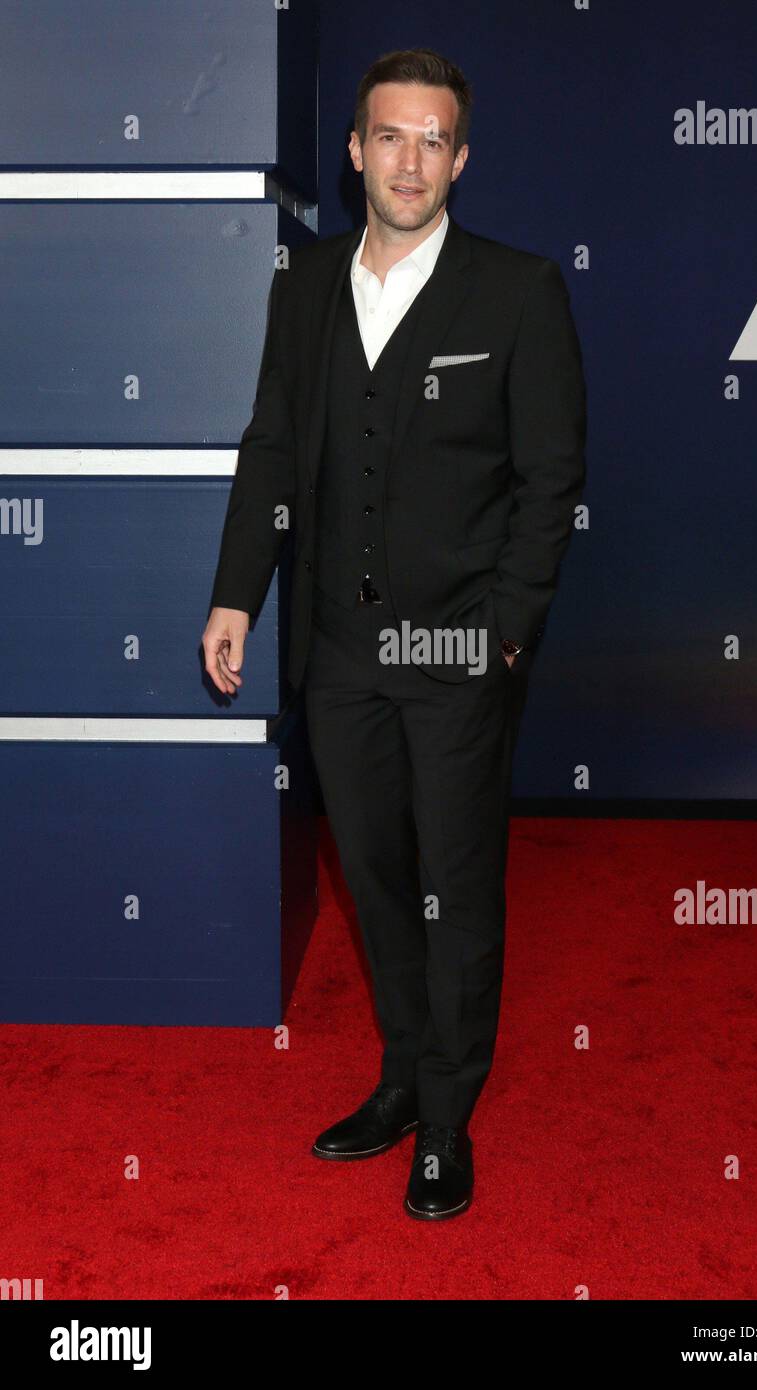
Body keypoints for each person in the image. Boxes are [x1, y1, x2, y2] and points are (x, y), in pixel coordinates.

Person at [203, 47, 587, 1220]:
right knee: (375, 881)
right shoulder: (303, 285)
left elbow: (550, 476)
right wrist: (236, 592)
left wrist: (506, 635)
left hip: (459, 655)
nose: (409, 159)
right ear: (357, 151)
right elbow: (272, 444)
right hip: (338, 652)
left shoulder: (516, 292)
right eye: (390, 136)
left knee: (456, 884)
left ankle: (446, 1117)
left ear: (458, 159)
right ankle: (401, 1075)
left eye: (433, 139)